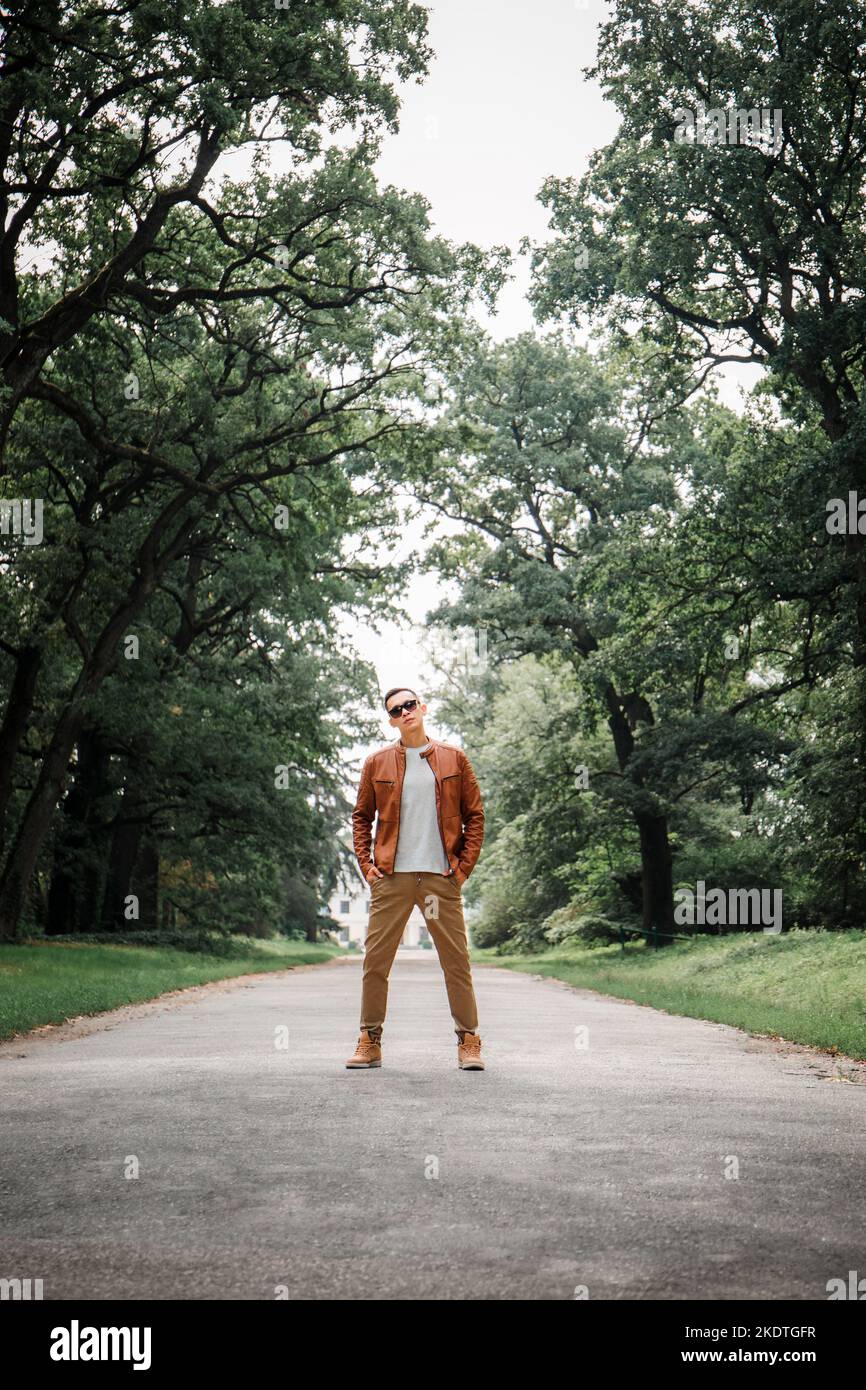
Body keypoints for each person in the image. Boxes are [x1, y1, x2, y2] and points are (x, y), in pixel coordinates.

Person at [346, 686, 485, 1071]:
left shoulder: (453, 758)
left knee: (456, 962)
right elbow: (361, 817)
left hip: (440, 877)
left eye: (410, 705)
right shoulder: (377, 763)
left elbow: (475, 815)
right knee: (376, 962)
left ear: (422, 708)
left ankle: (469, 1040)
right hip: (392, 878)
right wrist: (367, 866)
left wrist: (462, 869)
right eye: (396, 710)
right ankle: (369, 1039)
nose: (405, 712)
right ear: (391, 719)